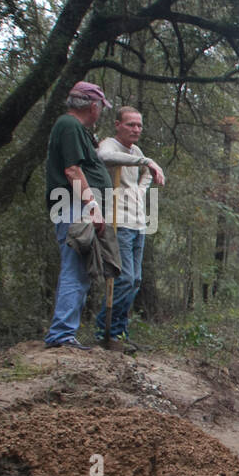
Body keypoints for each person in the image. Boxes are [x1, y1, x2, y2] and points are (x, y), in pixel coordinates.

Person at [44, 81, 116, 350]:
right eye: (100, 107)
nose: (100, 111)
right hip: (73, 204)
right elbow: (72, 171)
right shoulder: (69, 125)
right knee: (75, 267)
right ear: (93, 106)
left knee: (81, 270)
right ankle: (61, 335)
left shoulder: (78, 130)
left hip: (78, 204)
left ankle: (65, 333)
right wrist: (92, 206)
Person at [95, 107, 165, 353]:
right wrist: (146, 161)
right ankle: (106, 332)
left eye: (139, 125)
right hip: (117, 221)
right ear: (118, 125)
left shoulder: (136, 151)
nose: (136, 129)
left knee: (135, 280)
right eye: (130, 125)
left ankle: (120, 334)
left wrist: (140, 188)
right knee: (122, 278)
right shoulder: (109, 145)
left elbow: (146, 172)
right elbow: (103, 158)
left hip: (137, 223)